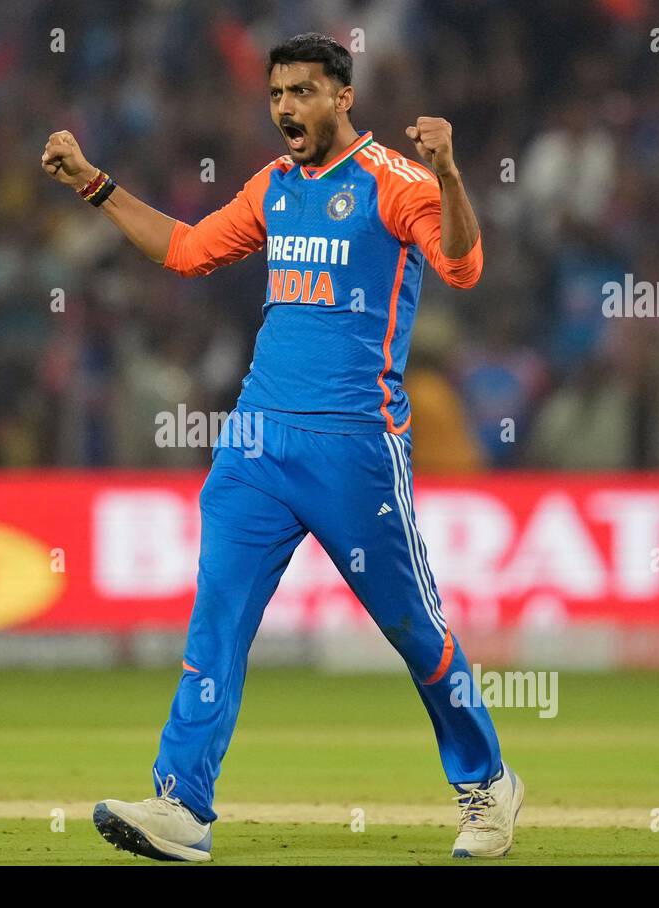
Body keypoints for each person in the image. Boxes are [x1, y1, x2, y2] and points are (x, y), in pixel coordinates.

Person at [41, 32, 522, 862]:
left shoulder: (394, 182)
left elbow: (464, 266)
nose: (286, 110)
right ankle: (181, 804)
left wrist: (448, 172)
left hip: (355, 450)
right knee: (216, 621)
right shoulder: (274, 187)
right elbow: (188, 250)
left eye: (302, 92)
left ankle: (488, 783)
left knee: (415, 630)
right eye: (276, 96)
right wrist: (94, 184)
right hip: (257, 444)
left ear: (343, 96)